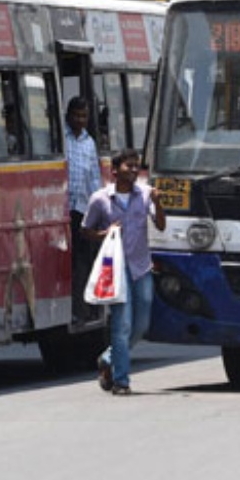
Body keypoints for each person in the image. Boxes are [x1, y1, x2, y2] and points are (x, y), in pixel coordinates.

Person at [83, 148, 166, 396]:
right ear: (115, 170)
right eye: (128, 166)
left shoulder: (145, 194)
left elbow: (160, 225)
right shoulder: (100, 199)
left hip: (141, 267)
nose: (133, 170)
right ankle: (121, 381)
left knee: (141, 325)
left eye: (136, 166)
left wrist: (159, 204)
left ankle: (108, 359)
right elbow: (85, 230)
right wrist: (104, 233)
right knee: (122, 325)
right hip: (116, 272)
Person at [65, 97, 103, 327]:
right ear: (69, 115)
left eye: (84, 116)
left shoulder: (89, 143)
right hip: (62, 209)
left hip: (82, 209)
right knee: (67, 261)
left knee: (83, 260)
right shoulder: (62, 138)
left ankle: (83, 308)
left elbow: (94, 178)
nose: (80, 120)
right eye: (77, 116)